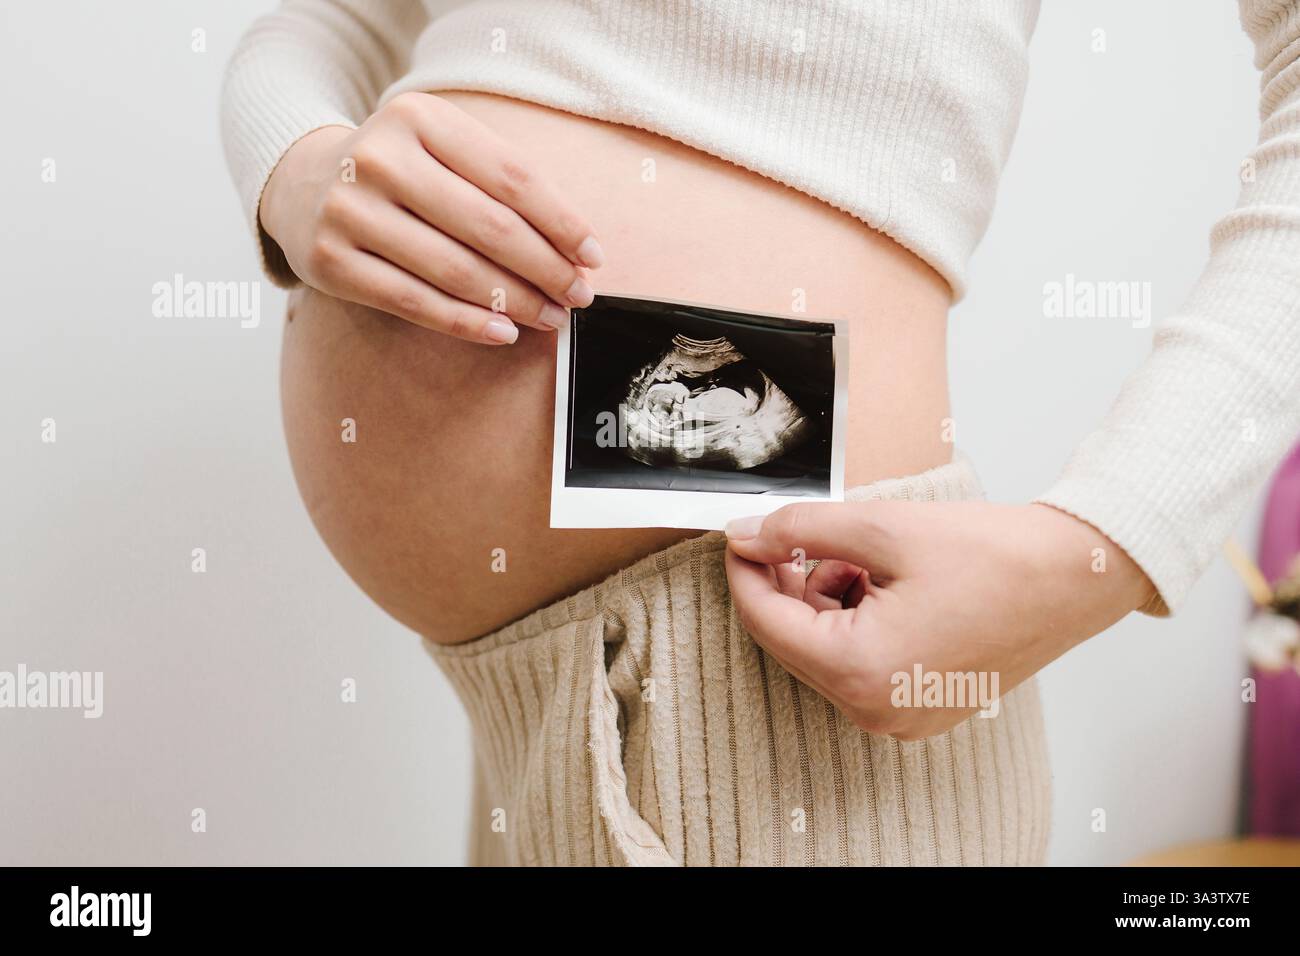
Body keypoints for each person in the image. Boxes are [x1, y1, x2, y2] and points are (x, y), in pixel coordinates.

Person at [221, 0, 1300, 865]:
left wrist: (1103, 543)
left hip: (811, 680)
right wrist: (296, 163)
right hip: (520, 712)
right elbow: (332, 21)